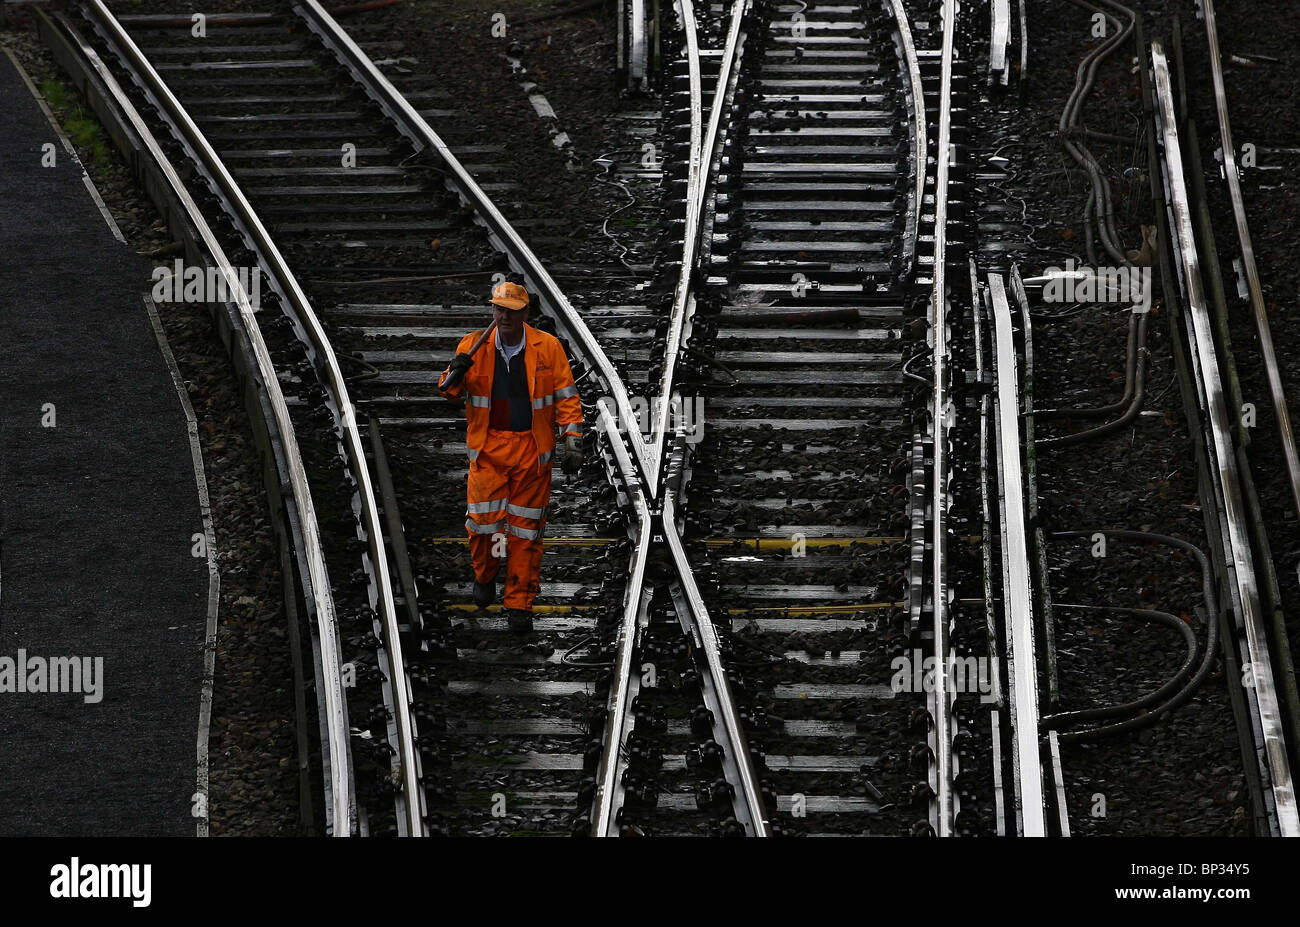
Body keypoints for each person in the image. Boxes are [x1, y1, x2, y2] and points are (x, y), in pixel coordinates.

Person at [437, 281, 584, 633]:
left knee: (525, 533)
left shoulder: (546, 348)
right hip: (488, 451)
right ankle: (485, 574)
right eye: (499, 309)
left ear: (525, 313)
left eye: (511, 310)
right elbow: (448, 393)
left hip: (532, 453)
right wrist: (455, 370)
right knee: (483, 526)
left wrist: (573, 437)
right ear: (493, 311)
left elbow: (566, 396)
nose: (503, 316)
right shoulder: (474, 345)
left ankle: (519, 605)